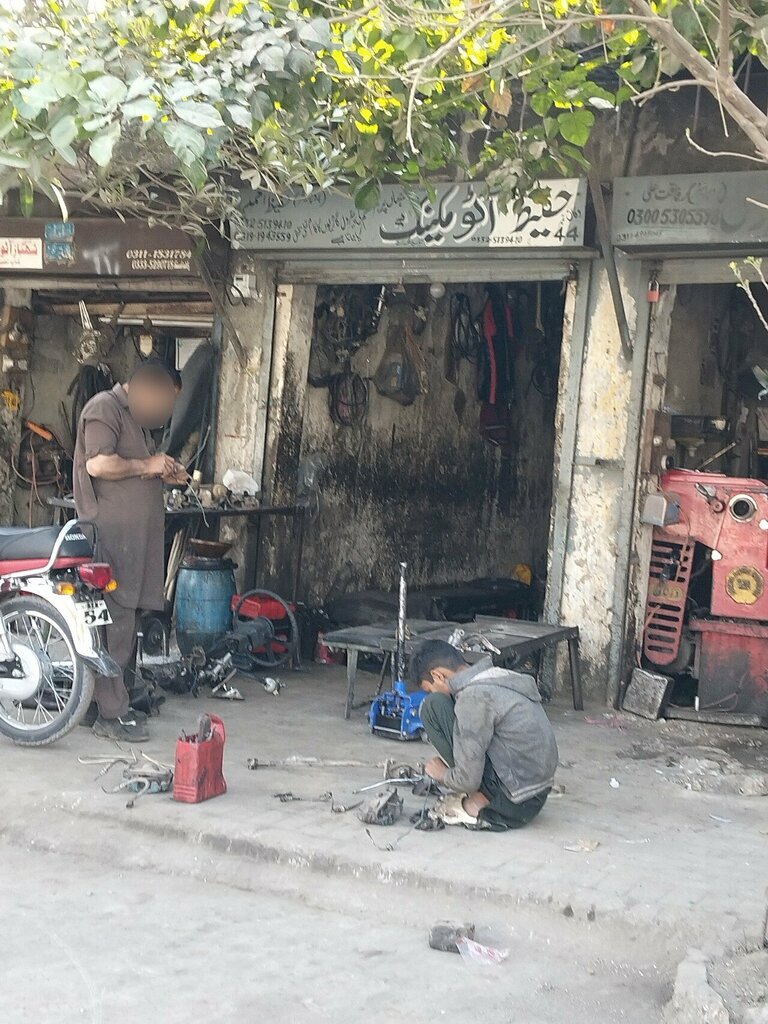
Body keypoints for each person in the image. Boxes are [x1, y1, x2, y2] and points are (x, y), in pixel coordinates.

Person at [73, 359, 185, 742]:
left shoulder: (136, 419)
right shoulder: (104, 408)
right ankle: (110, 715)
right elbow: (100, 464)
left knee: (126, 624)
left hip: (134, 541)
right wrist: (145, 465)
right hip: (111, 537)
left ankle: (100, 703)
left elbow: (135, 466)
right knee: (115, 626)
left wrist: (161, 471)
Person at [411, 639, 558, 831]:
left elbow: (468, 780)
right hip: (536, 793)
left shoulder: (474, 697)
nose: (430, 692)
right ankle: (485, 792)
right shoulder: (497, 676)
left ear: (437, 676)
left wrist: (443, 775)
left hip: (512, 804)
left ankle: (479, 800)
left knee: (433, 707)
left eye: (428, 689)